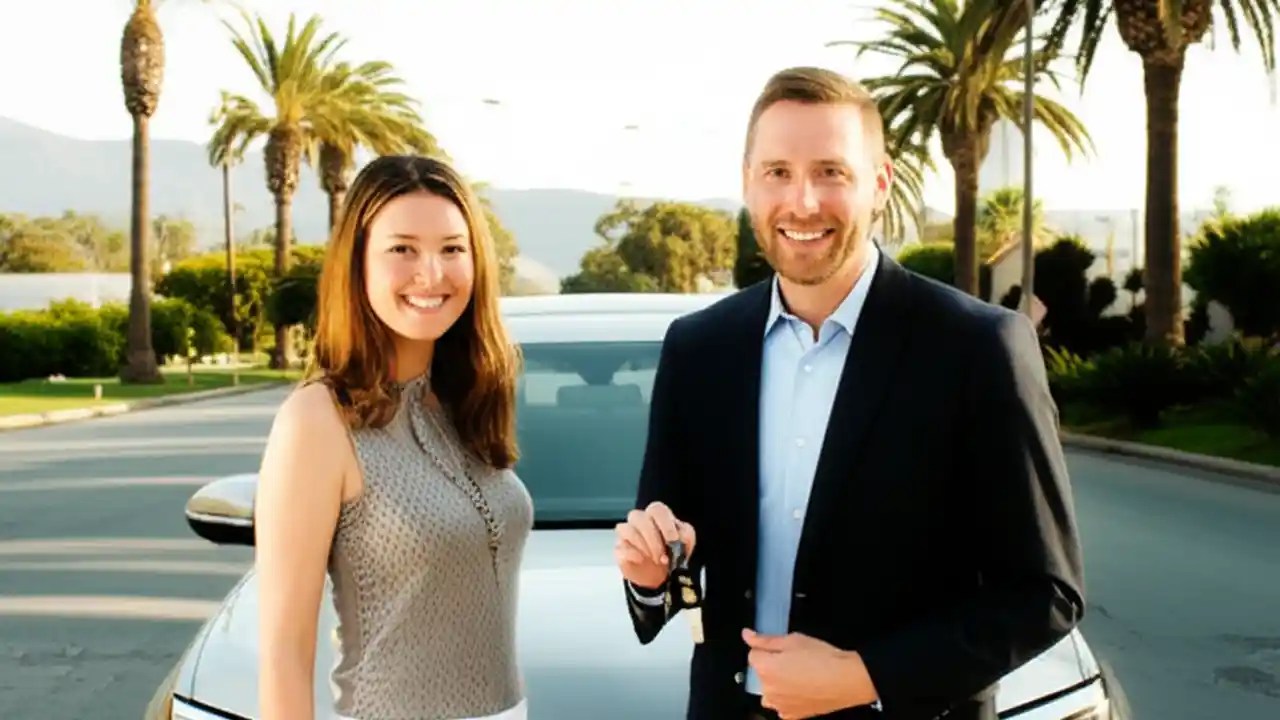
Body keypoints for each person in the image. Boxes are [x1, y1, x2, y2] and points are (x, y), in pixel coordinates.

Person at [614, 67, 1086, 720]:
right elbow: (674, 569)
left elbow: (1045, 593)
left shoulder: (978, 347)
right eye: (777, 171)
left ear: (880, 185)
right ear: (748, 183)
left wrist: (865, 676)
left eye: (831, 172)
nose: (803, 201)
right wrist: (650, 578)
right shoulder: (699, 349)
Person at [254, 155, 532, 720]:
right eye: (402, 248)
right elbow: (284, 651)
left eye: (453, 248)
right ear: (356, 264)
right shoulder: (318, 420)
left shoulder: (466, 402)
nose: (431, 273)